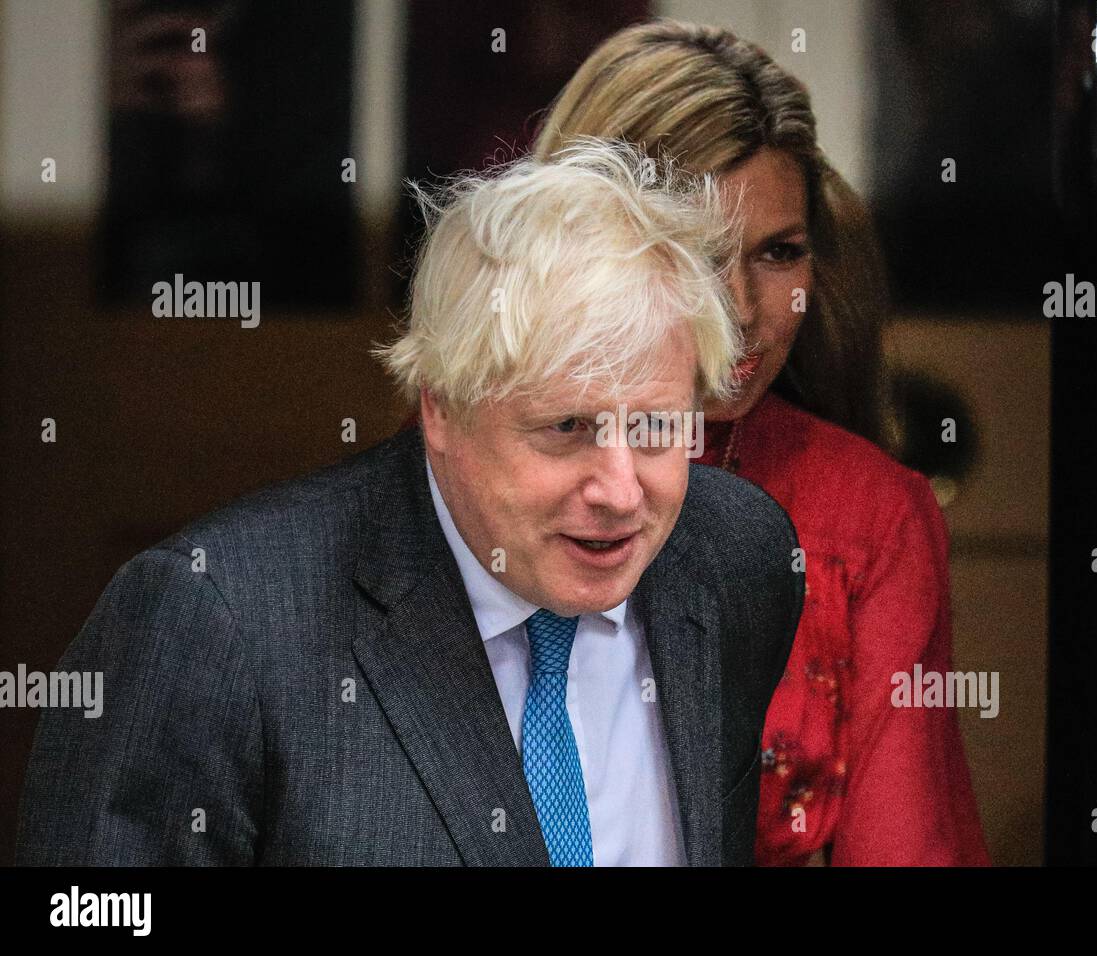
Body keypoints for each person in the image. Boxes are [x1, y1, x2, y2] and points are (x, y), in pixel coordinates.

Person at [16, 140, 803, 866]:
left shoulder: (736, 560)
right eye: (566, 428)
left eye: (658, 427)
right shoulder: (217, 620)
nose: (622, 491)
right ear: (441, 410)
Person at [535, 20, 990, 866]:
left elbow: (909, 846)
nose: (742, 309)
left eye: (779, 253)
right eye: (696, 255)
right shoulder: (473, 463)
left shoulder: (867, 514)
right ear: (581, 248)